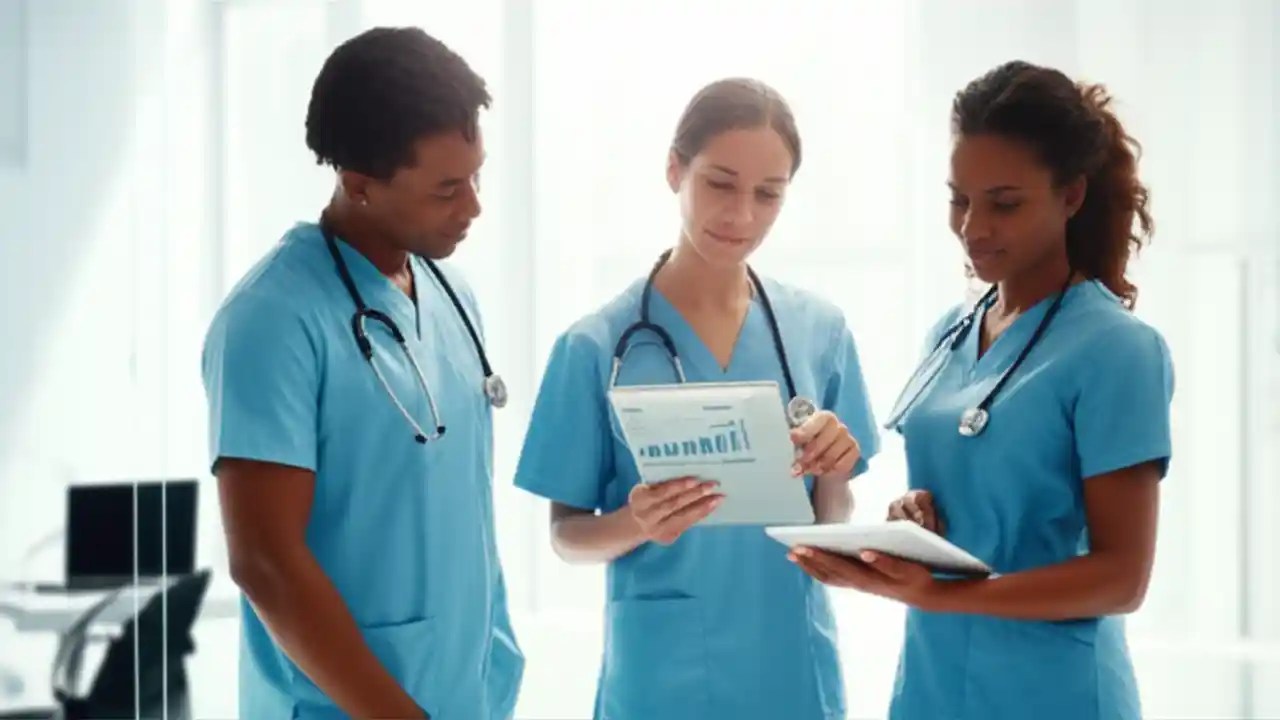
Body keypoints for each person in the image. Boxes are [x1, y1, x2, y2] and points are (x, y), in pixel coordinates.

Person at [790, 60, 1173, 720]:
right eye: (958, 199)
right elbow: (974, 494)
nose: (972, 227)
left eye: (1004, 203)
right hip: (934, 684)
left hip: (1053, 693)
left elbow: (1122, 578)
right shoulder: (950, 333)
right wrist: (915, 521)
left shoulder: (1117, 350)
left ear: (1071, 196)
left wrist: (939, 594)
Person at [512, 78, 881, 720]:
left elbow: (831, 525)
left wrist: (836, 469)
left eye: (768, 195)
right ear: (674, 169)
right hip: (662, 676)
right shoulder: (596, 345)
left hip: (789, 665)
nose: (741, 215)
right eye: (719, 183)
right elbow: (567, 538)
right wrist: (636, 522)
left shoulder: (819, 331)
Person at [201, 27, 523, 720]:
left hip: (466, 693)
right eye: (446, 189)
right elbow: (264, 561)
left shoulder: (451, 295)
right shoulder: (272, 320)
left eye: (476, 175)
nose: (472, 206)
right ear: (359, 183)